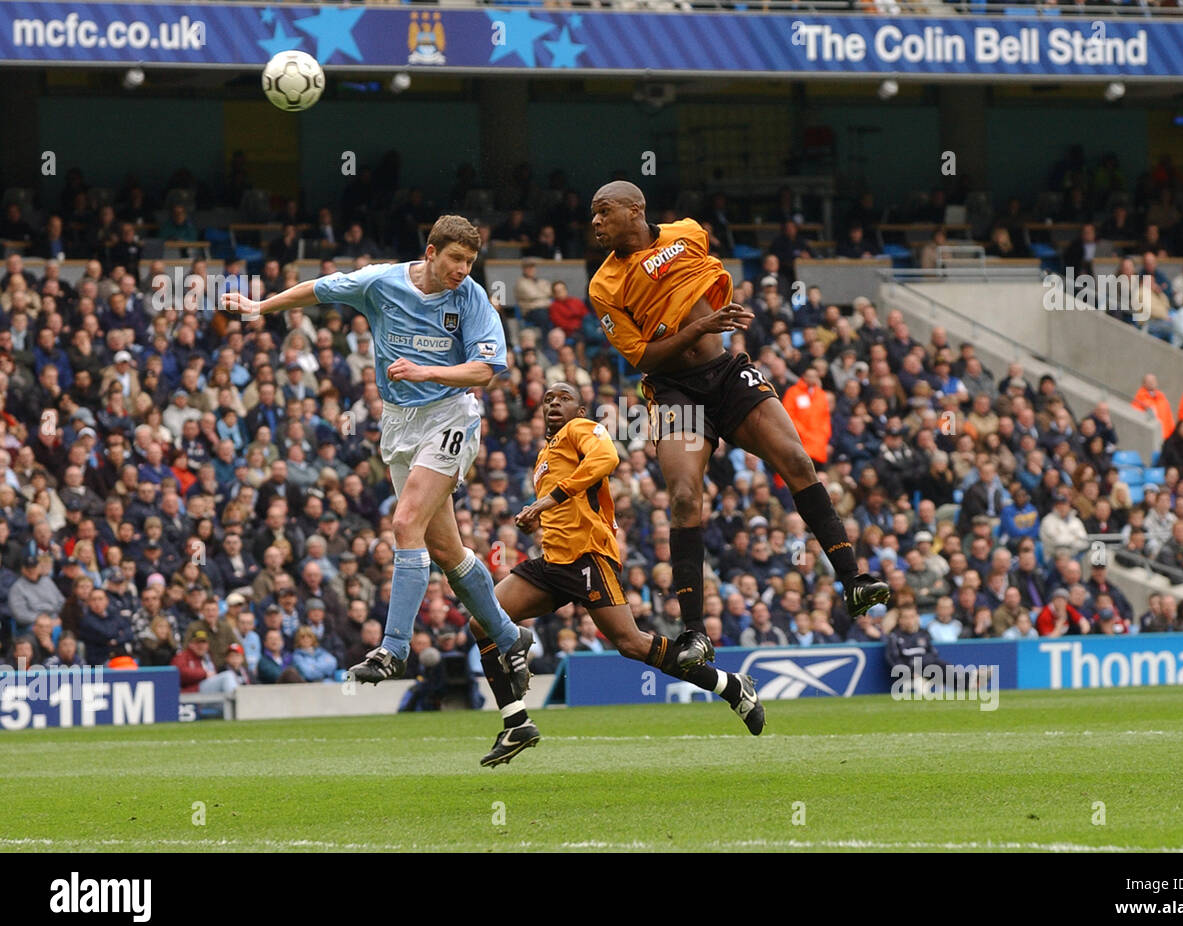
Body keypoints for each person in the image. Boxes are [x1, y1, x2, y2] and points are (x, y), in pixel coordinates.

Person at [586, 181, 888, 673]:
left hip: (726, 373)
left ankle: (853, 580)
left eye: (603, 212)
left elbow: (707, 278)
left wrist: (709, 320)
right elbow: (641, 355)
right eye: (592, 216)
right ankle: (695, 632)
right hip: (673, 388)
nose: (595, 223)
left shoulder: (686, 233)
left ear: (634, 209)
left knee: (796, 460)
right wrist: (698, 327)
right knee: (684, 496)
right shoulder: (604, 285)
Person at [222, 215, 532, 693]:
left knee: (405, 522)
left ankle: (394, 648)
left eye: (470, 262)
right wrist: (261, 306)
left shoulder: (470, 299)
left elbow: (486, 370)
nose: (462, 270)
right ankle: (511, 637)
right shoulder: (380, 282)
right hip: (398, 422)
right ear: (431, 252)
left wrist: (427, 372)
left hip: (449, 417)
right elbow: (319, 289)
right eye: (455, 259)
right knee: (448, 550)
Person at [470, 383, 765, 767]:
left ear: (580, 408)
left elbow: (607, 457)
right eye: (547, 399)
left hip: (588, 558)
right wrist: (536, 518)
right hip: (551, 562)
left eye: (563, 398)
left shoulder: (582, 429)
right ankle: (516, 721)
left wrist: (545, 501)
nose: (553, 403)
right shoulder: (543, 454)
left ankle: (728, 685)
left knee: (631, 644)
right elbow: (568, 504)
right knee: (483, 622)